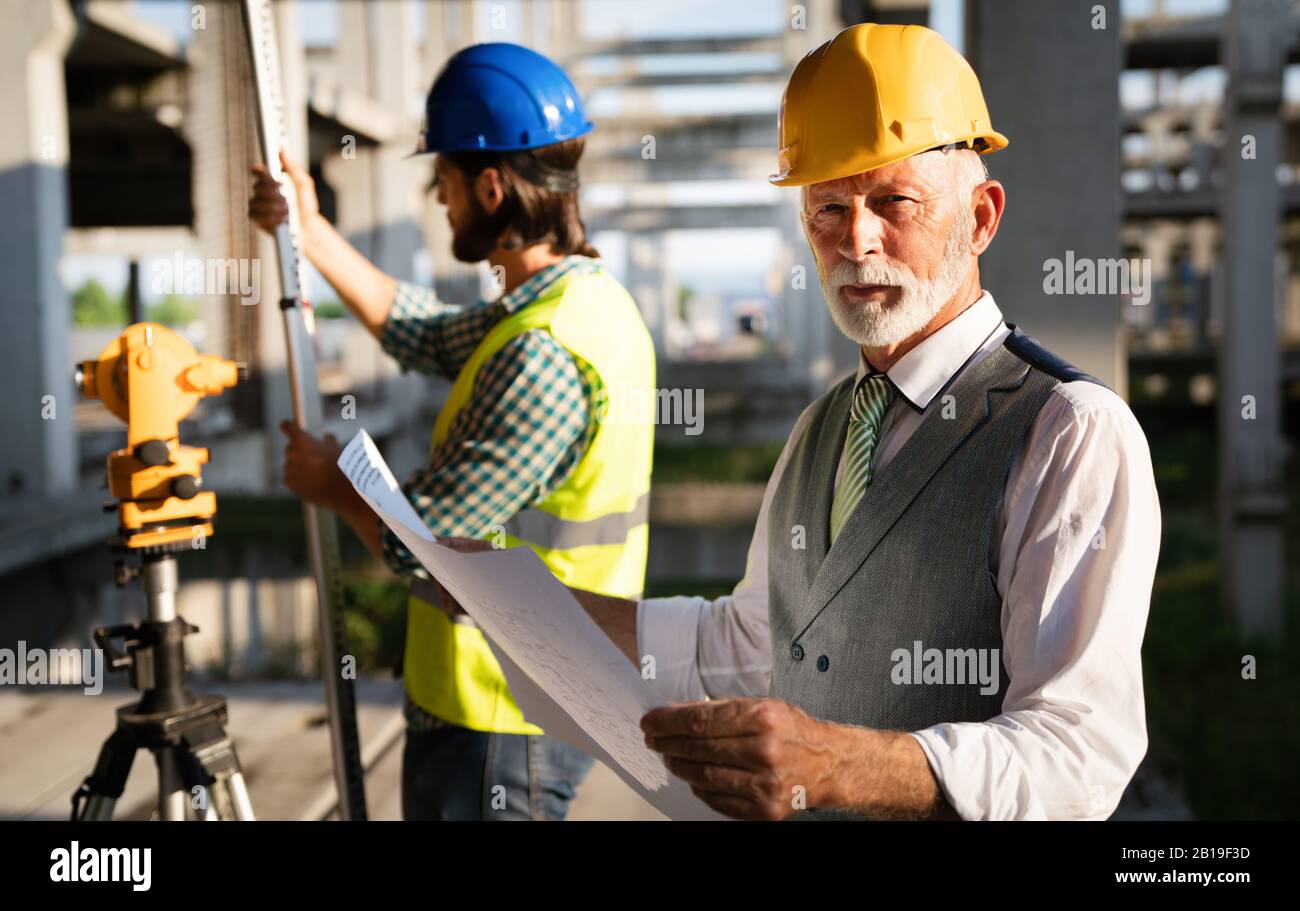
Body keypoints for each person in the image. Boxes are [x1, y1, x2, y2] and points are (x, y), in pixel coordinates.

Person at [442, 22, 1161, 820]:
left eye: (894, 202)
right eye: (827, 209)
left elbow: (1078, 755)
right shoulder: (821, 431)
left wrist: (841, 766)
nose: (857, 240)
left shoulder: (1069, 432)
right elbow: (746, 649)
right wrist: (519, 599)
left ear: (981, 218)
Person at [249, 42, 656, 820]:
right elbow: (426, 334)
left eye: (443, 181)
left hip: (499, 719)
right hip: (522, 705)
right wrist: (310, 230)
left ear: (492, 185)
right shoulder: (578, 303)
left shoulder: (544, 354)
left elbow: (423, 549)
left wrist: (332, 484)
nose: (439, 202)